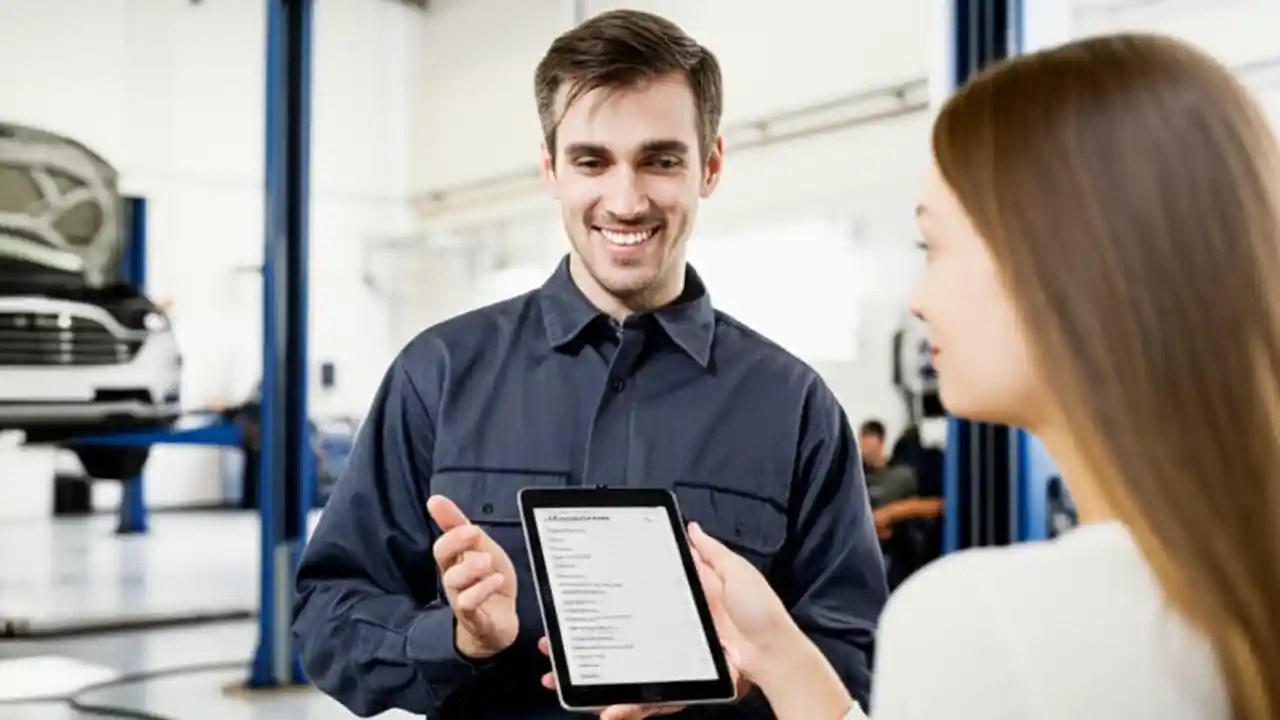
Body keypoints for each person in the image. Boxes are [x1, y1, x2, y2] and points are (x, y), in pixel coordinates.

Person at [546, 33, 1280, 719]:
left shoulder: (982, 621)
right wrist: (776, 649)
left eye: (933, 245)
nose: (918, 299)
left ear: (1063, 271)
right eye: (591, 161)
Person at [291, 8, 888, 720]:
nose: (627, 200)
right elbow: (326, 617)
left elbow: (853, 650)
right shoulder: (439, 375)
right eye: (591, 161)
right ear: (550, 167)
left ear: (712, 166)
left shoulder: (794, 407)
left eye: (661, 160)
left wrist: (754, 676)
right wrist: (457, 637)